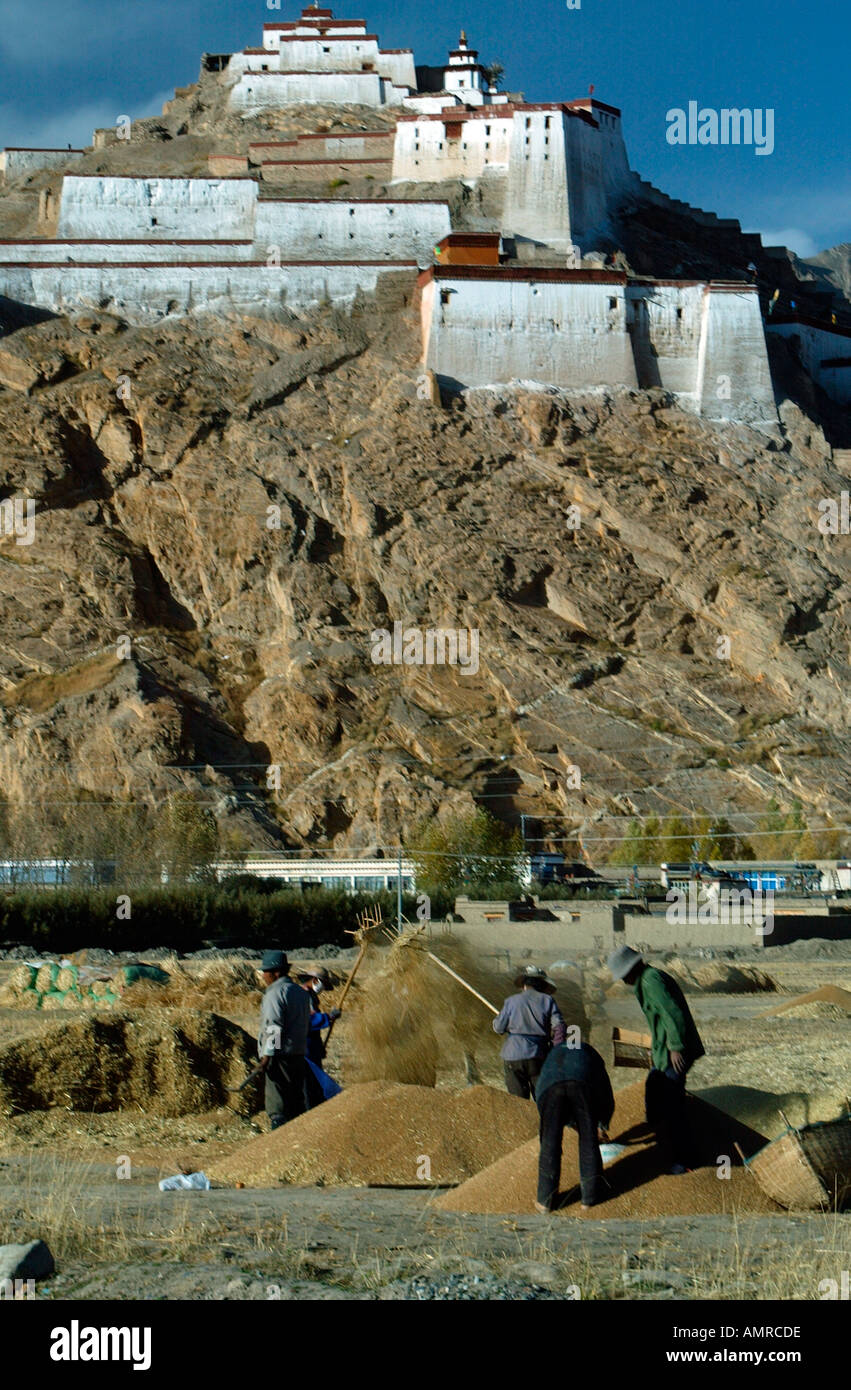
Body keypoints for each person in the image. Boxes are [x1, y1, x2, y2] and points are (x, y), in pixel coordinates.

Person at [607, 945, 705, 1173]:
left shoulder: (651, 981)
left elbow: (672, 1013)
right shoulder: (647, 980)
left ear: (631, 969)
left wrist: (676, 1047)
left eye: (623, 976)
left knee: (672, 1106)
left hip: (676, 1051)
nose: (622, 981)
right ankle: (666, 1148)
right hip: (666, 1052)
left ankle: (684, 1161)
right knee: (654, 1092)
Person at [535, 1039, 614, 1213]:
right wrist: (602, 1125)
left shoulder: (553, 1054)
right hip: (581, 1085)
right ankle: (589, 1199)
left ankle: (544, 1202)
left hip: (549, 1089)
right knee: (588, 1141)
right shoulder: (590, 1054)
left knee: (550, 1143)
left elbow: (540, 1091)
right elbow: (605, 1092)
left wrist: (553, 1122)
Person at [493, 964, 566, 1099]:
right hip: (538, 1055)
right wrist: (557, 1051)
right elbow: (559, 1027)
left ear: (524, 985)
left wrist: (501, 1022)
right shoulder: (548, 1000)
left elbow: (498, 1028)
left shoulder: (511, 1001)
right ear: (542, 986)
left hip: (513, 1056)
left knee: (518, 1101)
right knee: (542, 1099)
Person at [257, 949, 311, 1130]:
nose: (263, 976)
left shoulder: (274, 994)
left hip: (279, 1056)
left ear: (276, 972)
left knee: (277, 1104)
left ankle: (278, 1140)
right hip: (298, 1053)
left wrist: (267, 1055)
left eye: (265, 972)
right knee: (295, 1102)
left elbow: (273, 1025)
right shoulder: (300, 993)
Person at [298, 967, 342, 1109]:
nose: (322, 989)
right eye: (322, 983)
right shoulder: (303, 996)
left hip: (312, 1047)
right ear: (315, 980)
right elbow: (307, 1021)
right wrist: (328, 1017)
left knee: (315, 1085)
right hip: (304, 1048)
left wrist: (319, 1048)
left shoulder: (311, 996)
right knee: (312, 1084)